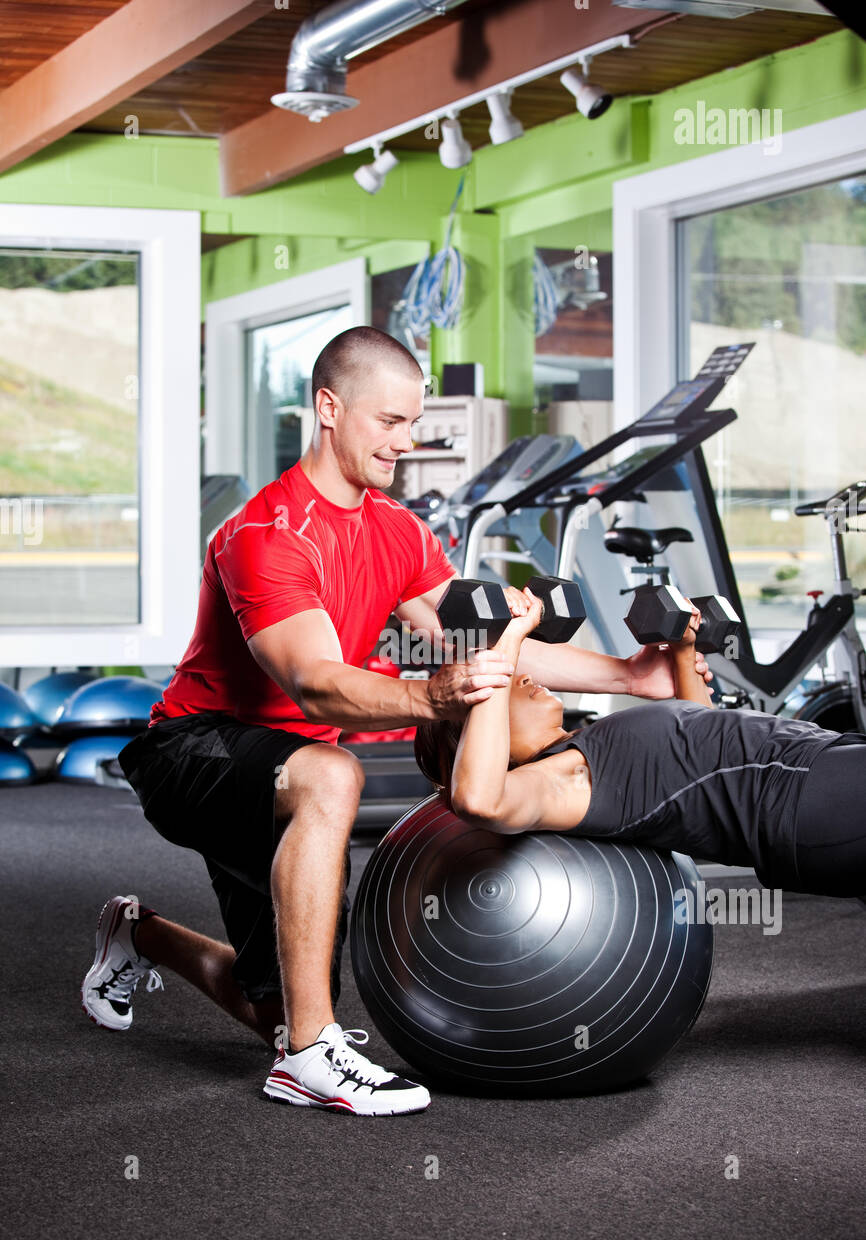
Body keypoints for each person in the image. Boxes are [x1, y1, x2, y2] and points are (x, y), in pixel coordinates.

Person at [82, 326, 712, 1118]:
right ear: (328, 408)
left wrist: (629, 675)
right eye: (390, 423)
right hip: (190, 753)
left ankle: (139, 935)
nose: (406, 444)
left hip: (282, 769)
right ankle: (310, 1059)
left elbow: (477, 651)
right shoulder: (265, 536)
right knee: (332, 771)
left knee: (272, 1005)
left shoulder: (399, 532)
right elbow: (315, 686)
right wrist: (433, 698)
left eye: (413, 424)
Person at [414, 586, 866, 899]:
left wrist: (683, 653)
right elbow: (477, 800)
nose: (526, 675)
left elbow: (702, 751)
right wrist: (505, 643)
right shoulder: (564, 778)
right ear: (482, 726)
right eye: (507, 682)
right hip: (806, 797)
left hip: (821, 761)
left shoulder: (587, 746)